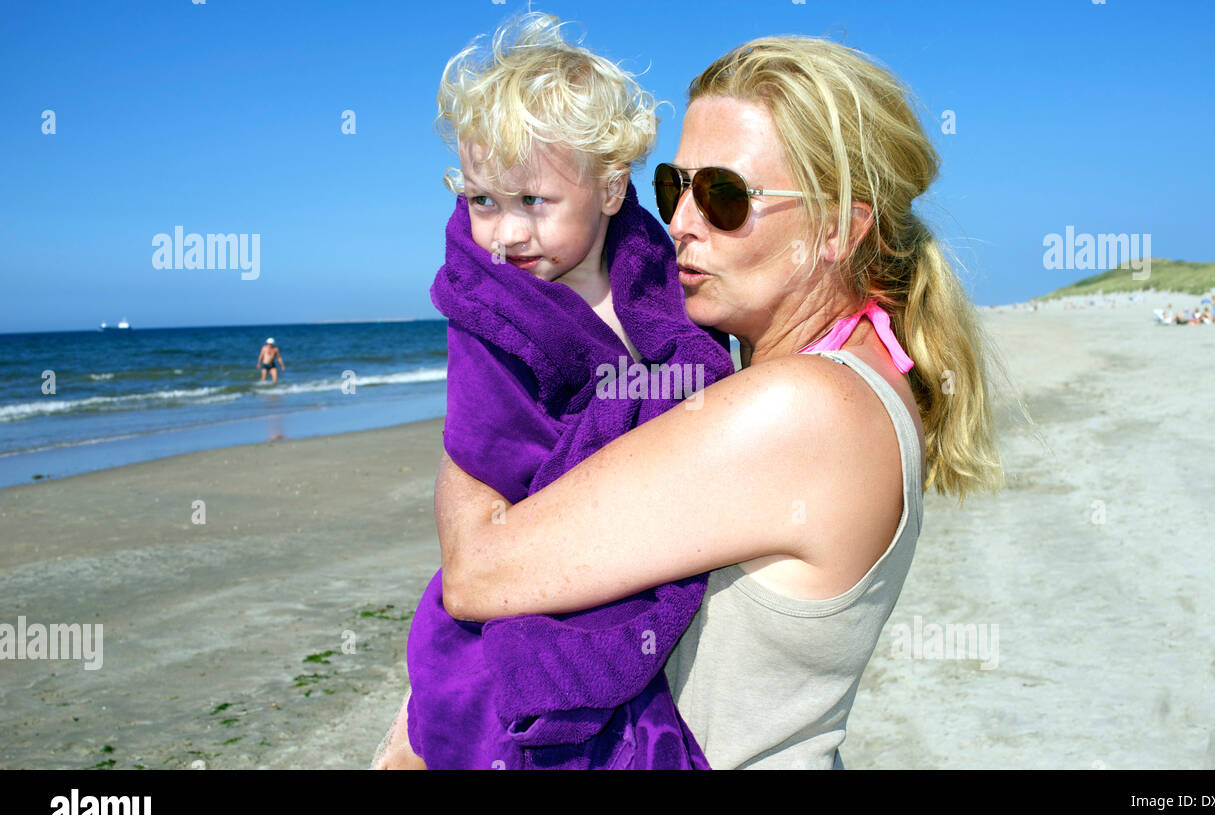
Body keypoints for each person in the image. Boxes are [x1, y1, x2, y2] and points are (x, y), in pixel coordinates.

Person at [400, 33, 1001, 770]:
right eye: (671, 187)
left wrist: (486, 355)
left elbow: (477, 571)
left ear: (839, 228)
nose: (681, 221)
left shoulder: (804, 406)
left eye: (722, 195)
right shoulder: (846, 377)